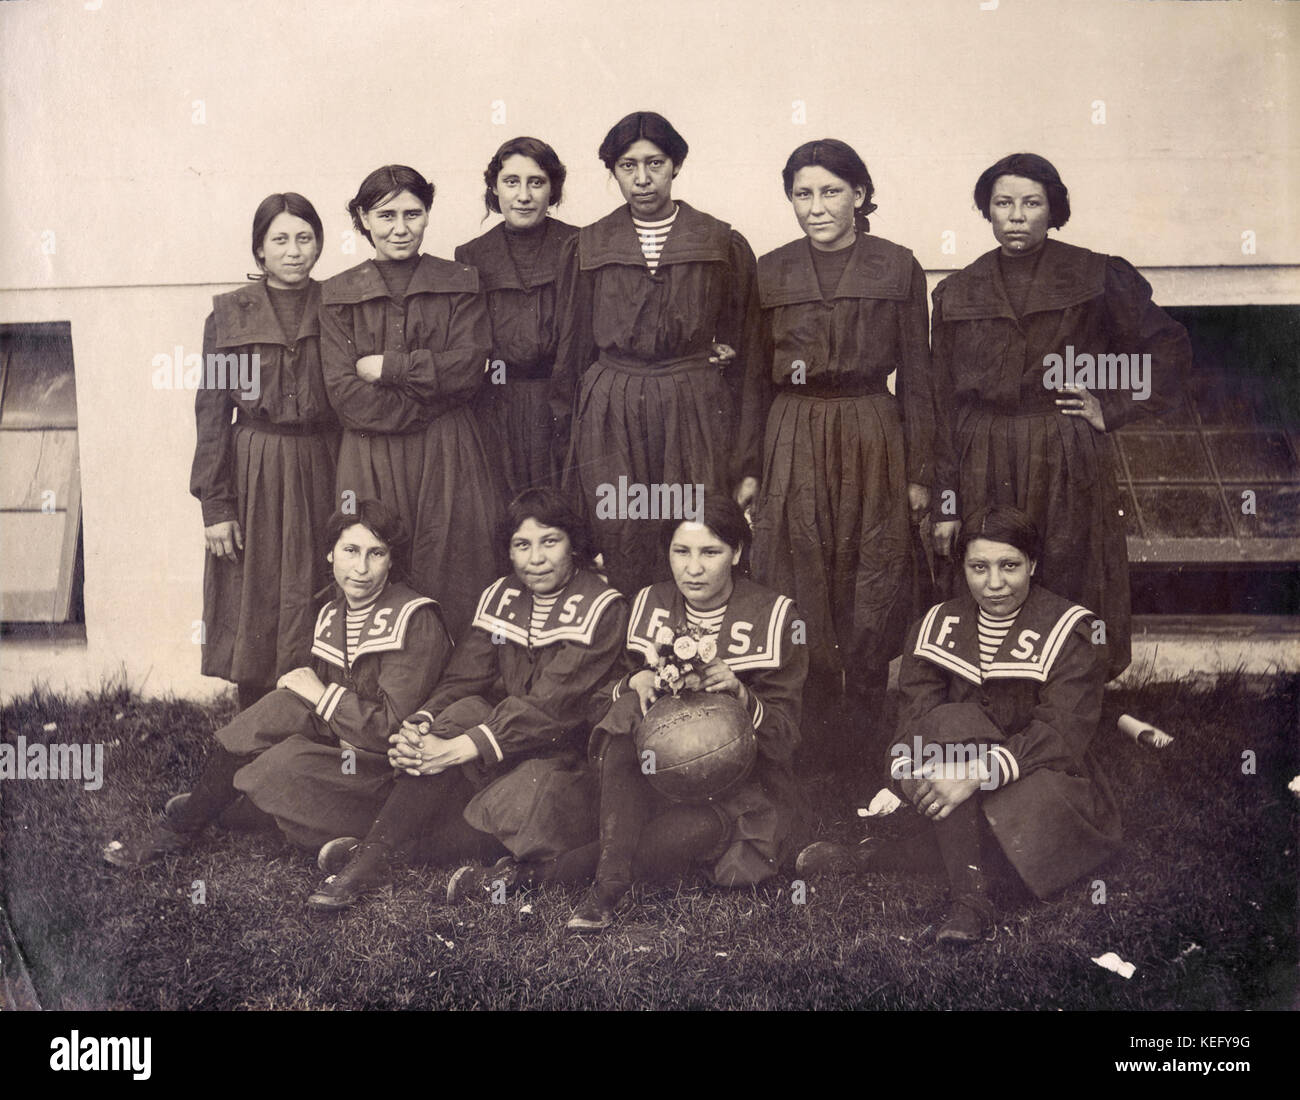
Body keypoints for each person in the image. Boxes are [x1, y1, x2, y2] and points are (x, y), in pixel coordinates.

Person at [796, 506, 1122, 945]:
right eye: (979, 567)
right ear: (963, 568)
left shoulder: (1072, 628)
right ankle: (970, 901)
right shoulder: (936, 623)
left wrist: (973, 776)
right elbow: (914, 720)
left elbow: (1062, 735)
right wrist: (910, 774)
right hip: (952, 770)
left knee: (1021, 821)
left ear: (1033, 564)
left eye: (1010, 565)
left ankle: (874, 858)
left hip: (1044, 774)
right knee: (950, 719)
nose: (994, 583)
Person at [929, 153, 1191, 679]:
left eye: (1031, 203)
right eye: (1003, 203)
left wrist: (1111, 406)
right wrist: (945, 497)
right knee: (992, 569)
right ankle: (992, 698)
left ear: (1053, 210)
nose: (1017, 215)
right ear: (988, 211)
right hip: (981, 450)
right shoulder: (958, 290)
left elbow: (1168, 348)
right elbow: (939, 402)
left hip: (1063, 447)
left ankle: (1074, 699)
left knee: (1070, 565)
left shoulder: (1096, 275)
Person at [305, 488, 627, 912]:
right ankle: (374, 857)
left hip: (565, 757)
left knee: (521, 801)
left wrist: (455, 748)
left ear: (574, 544)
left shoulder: (603, 606)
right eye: (522, 545)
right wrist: (420, 726)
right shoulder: (503, 594)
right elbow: (463, 676)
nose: (536, 559)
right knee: (460, 712)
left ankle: (388, 850)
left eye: (551, 542)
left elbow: (551, 705)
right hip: (502, 743)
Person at [103, 500, 453, 866]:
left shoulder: (415, 618)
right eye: (350, 551)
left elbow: (391, 730)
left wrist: (319, 695)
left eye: (376, 553)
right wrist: (305, 704)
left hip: (394, 779)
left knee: (274, 768)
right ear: (330, 555)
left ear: (391, 560)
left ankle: (251, 812)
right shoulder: (334, 612)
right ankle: (187, 824)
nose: (361, 568)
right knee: (277, 709)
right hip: (347, 750)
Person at [749, 139, 935, 773]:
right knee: (796, 568)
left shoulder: (898, 266)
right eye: (803, 193)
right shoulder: (769, 270)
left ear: (859, 194)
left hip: (869, 428)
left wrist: (920, 472)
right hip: (793, 427)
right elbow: (750, 374)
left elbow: (918, 376)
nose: (817, 206)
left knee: (871, 568)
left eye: (831, 191)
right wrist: (747, 467)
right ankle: (803, 734)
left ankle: (861, 731)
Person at [565, 495, 809, 932]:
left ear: (737, 552)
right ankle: (608, 884)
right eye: (682, 551)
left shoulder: (774, 614)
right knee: (626, 713)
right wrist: (632, 683)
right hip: (649, 779)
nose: (693, 568)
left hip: (737, 791)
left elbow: (788, 737)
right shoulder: (650, 602)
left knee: (658, 844)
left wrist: (740, 693)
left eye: (710, 552)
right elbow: (597, 706)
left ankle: (536, 876)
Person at [551, 110, 764, 597]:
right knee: (623, 522)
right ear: (613, 171)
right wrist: (571, 436)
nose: (642, 179)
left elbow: (745, 345)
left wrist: (744, 453)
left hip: (692, 407)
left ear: (676, 166)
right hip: (613, 410)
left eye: (655, 163)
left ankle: (694, 652)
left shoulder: (720, 242)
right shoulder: (587, 245)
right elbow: (573, 349)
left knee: (694, 522)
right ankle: (633, 653)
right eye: (628, 166)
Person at [320, 164, 500, 641]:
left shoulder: (461, 280)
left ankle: (457, 686)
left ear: (427, 215)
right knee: (372, 558)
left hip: (448, 450)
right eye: (386, 215)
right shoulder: (337, 293)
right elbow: (344, 393)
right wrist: (427, 400)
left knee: (454, 559)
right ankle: (376, 685)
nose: (400, 228)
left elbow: (468, 369)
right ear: (363, 217)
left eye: (413, 214)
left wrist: (390, 369)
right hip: (371, 451)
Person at [190, 192, 339, 710]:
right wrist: (216, 505)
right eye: (280, 239)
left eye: (305, 237)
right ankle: (252, 725)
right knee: (257, 593)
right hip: (255, 467)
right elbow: (212, 413)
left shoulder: (339, 303)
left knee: (321, 585)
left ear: (319, 244)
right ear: (259, 251)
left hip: (325, 462)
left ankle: (315, 720)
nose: (294, 250)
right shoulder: (231, 315)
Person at [455, 137, 578, 496]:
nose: (523, 195)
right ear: (494, 187)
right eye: (511, 182)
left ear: (552, 188)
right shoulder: (471, 255)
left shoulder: (579, 246)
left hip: (562, 401)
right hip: (496, 406)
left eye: (536, 182)